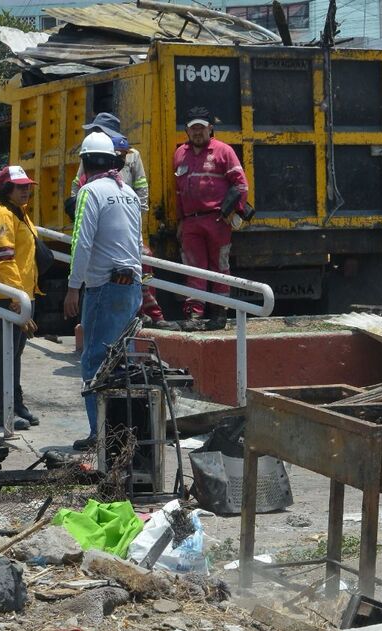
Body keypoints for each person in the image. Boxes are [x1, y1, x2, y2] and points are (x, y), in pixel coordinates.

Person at [65, 131, 144, 451]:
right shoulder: (128, 193)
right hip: (132, 285)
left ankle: (100, 434)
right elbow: (137, 242)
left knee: (95, 363)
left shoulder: (89, 192)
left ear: (85, 163)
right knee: (122, 364)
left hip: (104, 288)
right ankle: (124, 433)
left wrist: (73, 287)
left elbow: (81, 243)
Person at [68, 112, 173, 329]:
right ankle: (140, 312)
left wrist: (134, 214)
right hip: (101, 220)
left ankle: (151, 312)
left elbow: (141, 187)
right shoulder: (94, 153)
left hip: (125, 220)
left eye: (99, 129)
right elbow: (77, 187)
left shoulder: (131, 155)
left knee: (143, 263)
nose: (95, 133)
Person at [173, 105, 248, 329]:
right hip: (190, 222)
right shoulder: (180, 154)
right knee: (193, 268)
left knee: (219, 267)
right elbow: (178, 191)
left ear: (210, 128)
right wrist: (180, 220)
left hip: (217, 220)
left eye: (201, 128)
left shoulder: (223, 151)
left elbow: (241, 185)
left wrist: (232, 212)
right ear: (187, 130)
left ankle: (219, 314)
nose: (197, 132)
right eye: (193, 128)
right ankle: (194, 316)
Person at [0, 165, 44, 431]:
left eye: (27, 186)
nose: (25, 191)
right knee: (8, 351)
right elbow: (4, 259)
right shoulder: (2, 215)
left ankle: (16, 404)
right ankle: (4, 409)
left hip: (23, 293)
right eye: (19, 187)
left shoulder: (19, 213)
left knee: (16, 351)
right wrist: (17, 297)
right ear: (6, 189)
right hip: (10, 294)